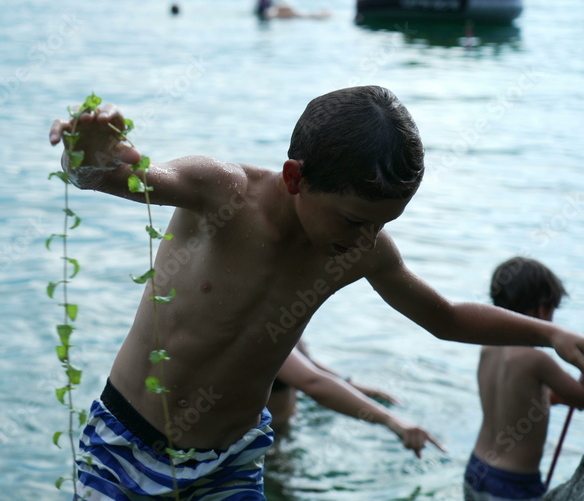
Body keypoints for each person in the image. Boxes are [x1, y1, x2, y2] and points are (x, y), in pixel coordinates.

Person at [47, 85, 584, 500]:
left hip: (231, 460)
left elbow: (443, 316)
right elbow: (109, 176)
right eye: (354, 220)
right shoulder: (220, 191)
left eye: (381, 224)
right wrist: (86, 154)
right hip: (128, 443)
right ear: (295, 177)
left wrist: (552, 333)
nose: (365, 239)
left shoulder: (362, 249)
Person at [464, 257, 584, 501]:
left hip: (476, 468)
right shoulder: (536, 360)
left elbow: (511, 400)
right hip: (514, 482)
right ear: (541, 309)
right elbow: (581, 400)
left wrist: (549, 399)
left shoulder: (488, 348)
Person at [270, 341, 443, 458]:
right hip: (263, 444)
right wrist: (390, 420)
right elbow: (312, 383)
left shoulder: (278, 311)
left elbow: (303, 361)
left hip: (281, 432)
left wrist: (350, 385)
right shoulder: (262, 323)